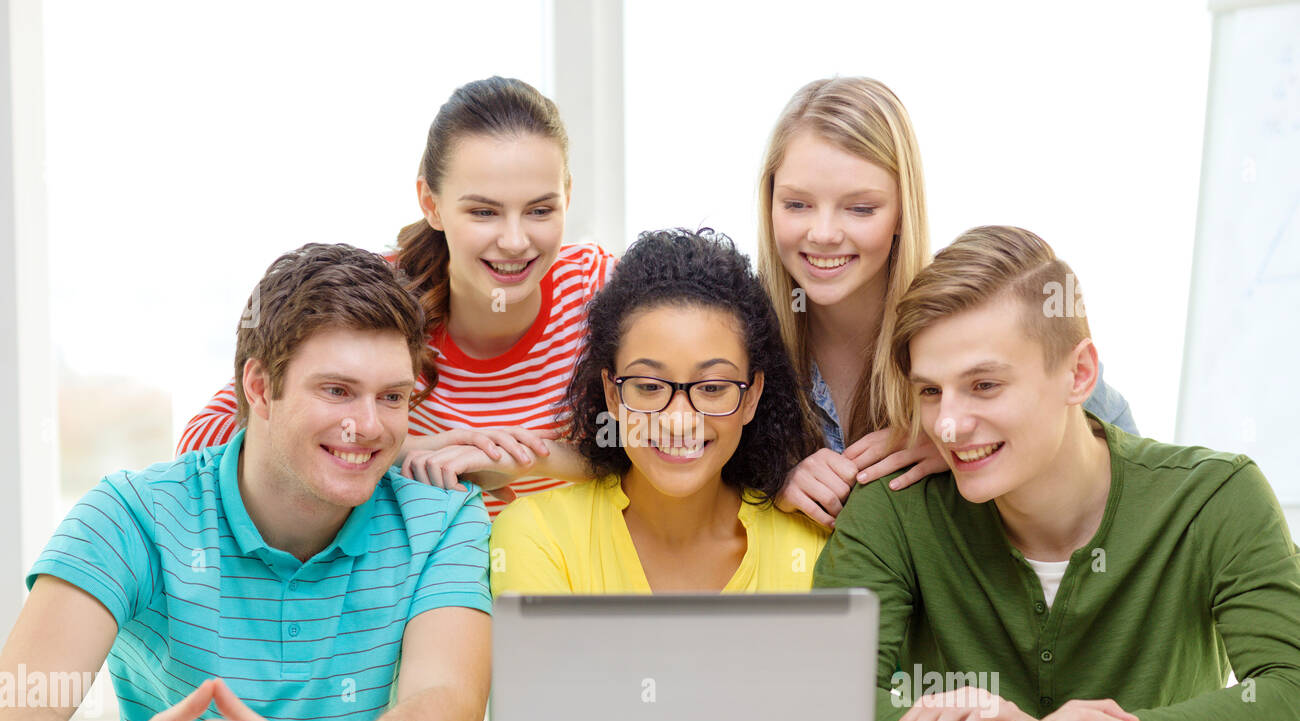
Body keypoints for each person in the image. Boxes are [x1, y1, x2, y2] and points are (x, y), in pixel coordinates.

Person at [0, 244, 493, 721]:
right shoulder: (130, 515)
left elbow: (450, 717)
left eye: (392, 397)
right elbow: (13, 717)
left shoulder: (444, 521)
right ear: (259, 389)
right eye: (336, 390)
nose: (369, 426)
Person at [812, 225, 1300, 721]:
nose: (947, 424)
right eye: (930, 392)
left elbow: (1291, 693)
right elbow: (824, 707)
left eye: (984, 385)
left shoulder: (1217, 498)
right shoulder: (891, 510)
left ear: (1079, 374)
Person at [178, 76, 613, 517]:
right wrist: (402, 448)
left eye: (540, 210)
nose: (516, 241)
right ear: (431, 203)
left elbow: (671, 441)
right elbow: (203, 439)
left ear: (568, 196)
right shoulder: (373, 298)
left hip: (565, 580)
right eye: (484, 212)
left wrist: (524, 459)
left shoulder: (601, 289)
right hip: (407, 582)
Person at [757, 77, 1139, 528]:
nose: (822, 233)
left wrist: (959, 436)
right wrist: (767, 474)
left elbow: (1112, 443)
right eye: (797, 205)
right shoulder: (735, 330)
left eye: (860, 209)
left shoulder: (961, 313)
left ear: (903, 210)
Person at [487, 228, 827, 595]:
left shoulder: (811, 550)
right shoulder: (536, 535)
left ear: (751, 397)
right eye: (649, 387)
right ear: (612, 394)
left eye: (712, 388)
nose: (679, 421)